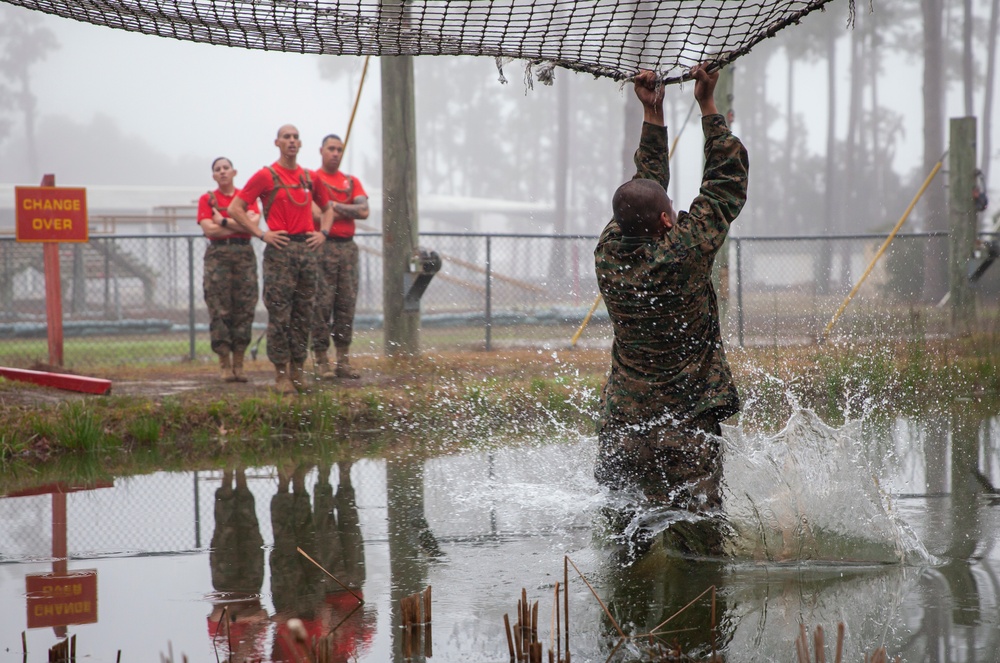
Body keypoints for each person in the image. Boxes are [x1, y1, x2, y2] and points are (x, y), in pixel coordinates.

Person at [593, 64, 749, 556]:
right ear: (666, 219)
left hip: (625, 428)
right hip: (686, 427)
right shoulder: (683, 253)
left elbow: (642, 187)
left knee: (625, 543)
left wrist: (651, 114)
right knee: (700, 547)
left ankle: (623, 625)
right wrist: (708, 107)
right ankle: (698, 626)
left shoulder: (608, 253)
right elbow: (725, 184)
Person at [229, 125, 334, 394]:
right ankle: (281, 375)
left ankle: (298, 372)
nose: (291, 141)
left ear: (300, 144)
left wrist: (323, 233)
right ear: (277, 142)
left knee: (304, 314)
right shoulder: (267, 176)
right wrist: (261, 234)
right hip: (280, 251)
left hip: (306, 251)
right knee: (280, 315)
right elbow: (235, 208)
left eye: (296, 137)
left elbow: (327, 208)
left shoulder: (310, 177)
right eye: (286, 137)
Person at [310, 134, 370, 380]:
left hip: (347, 248)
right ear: (321, 151)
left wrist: (333, 207)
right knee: (321, 305)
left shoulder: (350, 181)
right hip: (322, 247)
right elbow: (315, 215)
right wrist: (342, 209)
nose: (335, 153)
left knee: (346, 304)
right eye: (331, 149)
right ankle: (321, 360)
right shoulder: (313, 180)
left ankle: (343, 361)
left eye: (339, 149)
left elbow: (364, 210)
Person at [196, 157, 260, 383]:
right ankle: (224, 363)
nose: (222, 172)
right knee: (219, 308)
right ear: (214, 176)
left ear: (234, 172)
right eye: (217, 170)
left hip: (244, 256)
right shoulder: (208, 199)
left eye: (226, 168)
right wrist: (239, 224)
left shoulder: (246, 198)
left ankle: (239, 363)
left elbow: (253, 224)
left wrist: (222, 221)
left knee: (244, 308)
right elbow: (209, 230)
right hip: (218, 257)